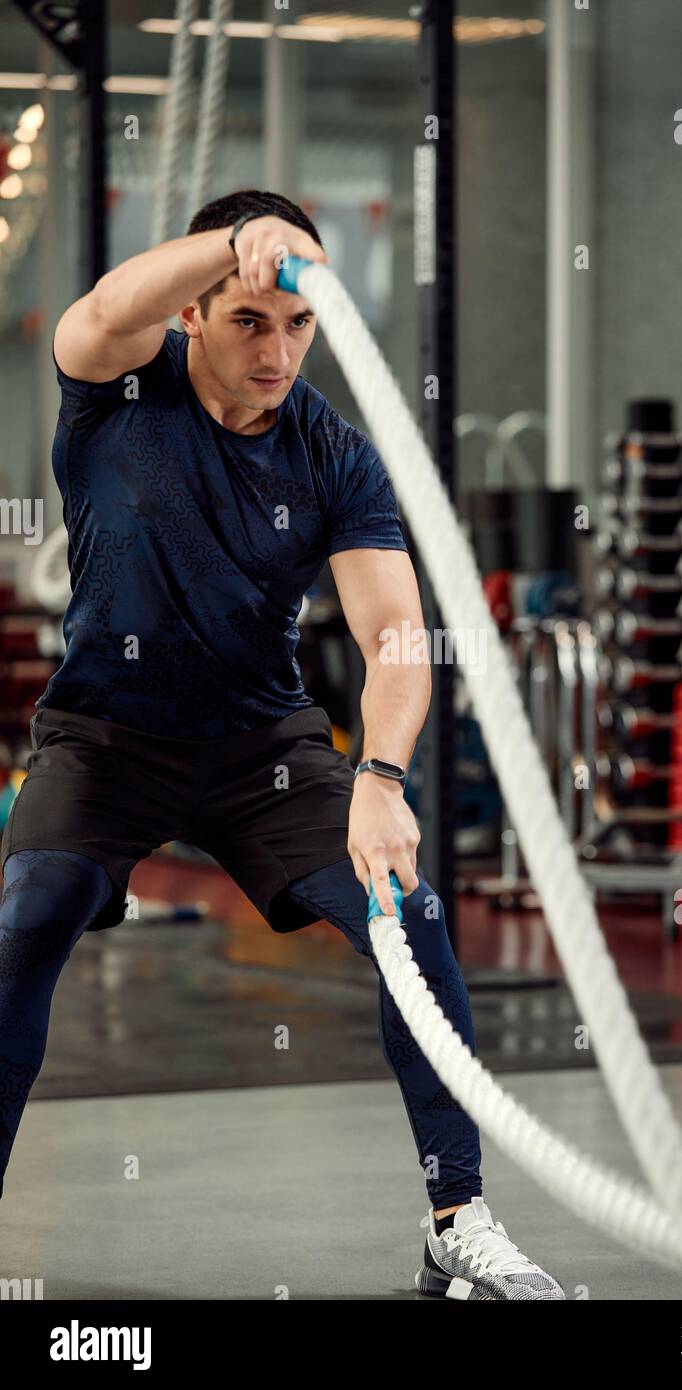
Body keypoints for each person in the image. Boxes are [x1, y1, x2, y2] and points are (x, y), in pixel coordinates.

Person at [0, 189, 565, 1300]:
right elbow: (108, 304)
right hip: (104, 738)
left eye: (296, 325)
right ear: (197, 313)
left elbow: (395, 632)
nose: (278, 350)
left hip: (261, 745)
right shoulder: (119, 379)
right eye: (250, 319)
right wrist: (240, 249)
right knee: (27, 915)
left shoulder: (333, 455)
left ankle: (456, 1222)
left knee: (411, 913)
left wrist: (382, 776)